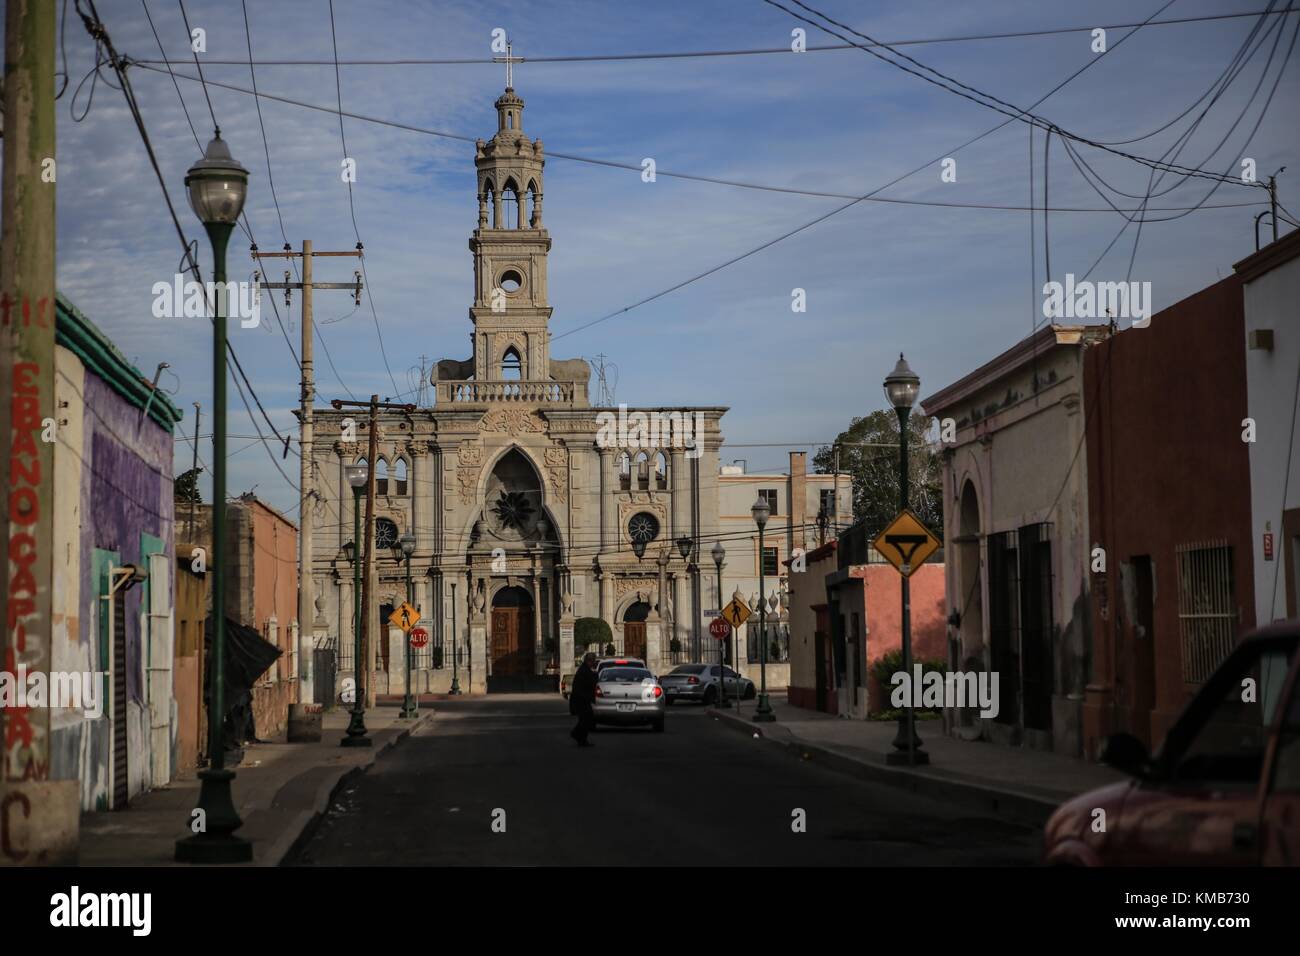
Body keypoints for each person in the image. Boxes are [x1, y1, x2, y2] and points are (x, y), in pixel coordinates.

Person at [569, 652, 598, 747]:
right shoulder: (584, 670)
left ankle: (581, 739)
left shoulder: (585, 669)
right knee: (586, 719)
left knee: (585, 720)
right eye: (593, 661)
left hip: (582, 699)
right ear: (589, 661)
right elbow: (589, 683)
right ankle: (577, 734)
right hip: (581, 700)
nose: (594, 663)